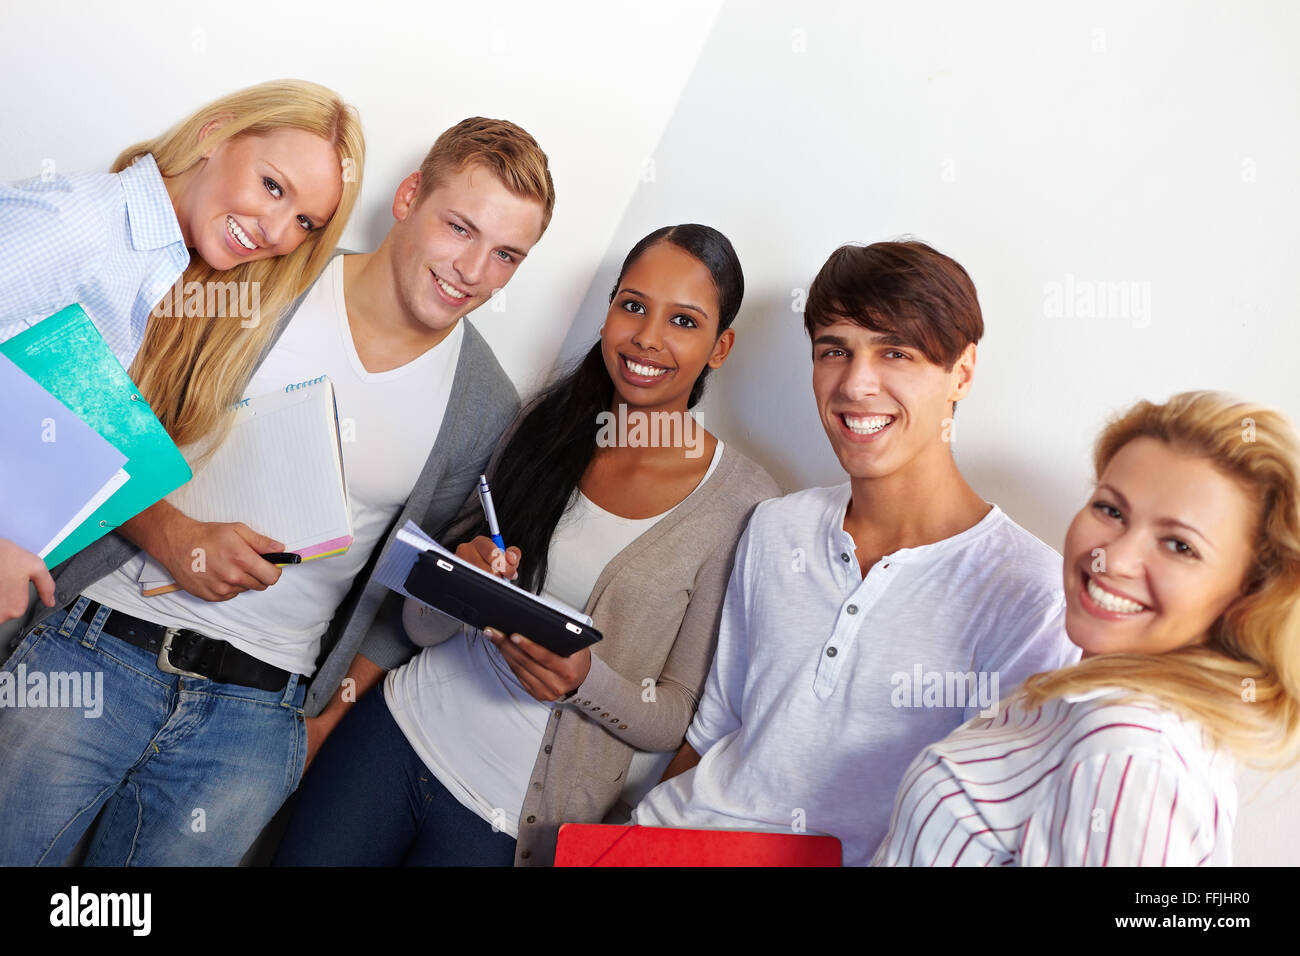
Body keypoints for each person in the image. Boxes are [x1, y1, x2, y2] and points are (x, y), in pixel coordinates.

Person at [0, 117, 554, 866]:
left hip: (258, 717)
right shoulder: (267, 273)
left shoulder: (484, 400)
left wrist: (320, 726)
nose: (473, 270)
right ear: (409, 196)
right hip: (102, 641)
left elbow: (399, 608)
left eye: (507, 256)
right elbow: (99, 410)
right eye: (460, 227)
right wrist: (174, 537)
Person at [272, 223, 781, 867]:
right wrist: (461, 577)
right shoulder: (543, 425)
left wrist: (582, 680)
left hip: (510, 824)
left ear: (720, 346)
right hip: (395, 733)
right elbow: (419, 626)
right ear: (608, 314)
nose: (647, 337)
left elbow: (675, 715)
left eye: (683, 320)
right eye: (632, 305)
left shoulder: (739, 502)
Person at [630, 240, 1080, 866]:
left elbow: (1002, 834)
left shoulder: (1031, 595)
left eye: (895, 352)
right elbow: (712, 735)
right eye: (834, 350)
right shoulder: (775, 527)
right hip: (671, 843)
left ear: (963, 372)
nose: (855, 384)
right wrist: (621, 844)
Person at [873, 391, 1300, 866]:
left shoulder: (1128, 749)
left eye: (1179, 546)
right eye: (1111, 510)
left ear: (1247, 596)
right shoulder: (1096, 706)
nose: (1113, 559)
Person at [0, 78, 363, 625]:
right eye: (272, 186)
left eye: (305, 223)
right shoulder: (84, 223)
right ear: (213, 135)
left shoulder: (162, 270)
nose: (276, 231)